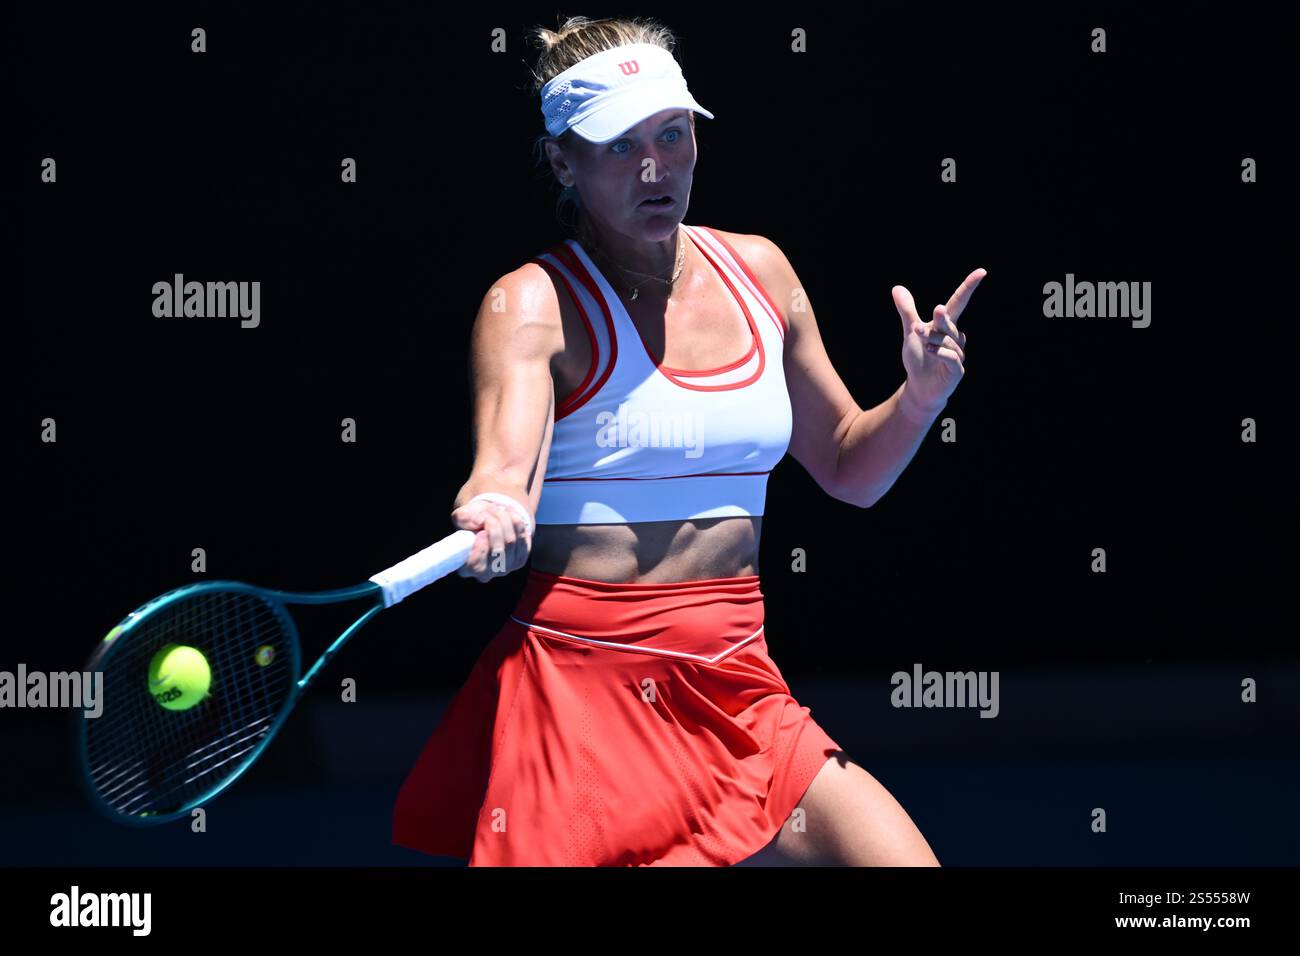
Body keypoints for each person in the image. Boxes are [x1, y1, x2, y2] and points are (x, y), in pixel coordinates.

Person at [392, 15, 985, 866]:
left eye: (673, 136)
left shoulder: (763, 274)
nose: (654, 169)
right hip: (581, 694)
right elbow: (502, 467)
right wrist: (492, 513)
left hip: (738, 682)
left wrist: (921, 399)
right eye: (619, 147)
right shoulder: (529, 304)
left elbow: (851, 467)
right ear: (562, 161)